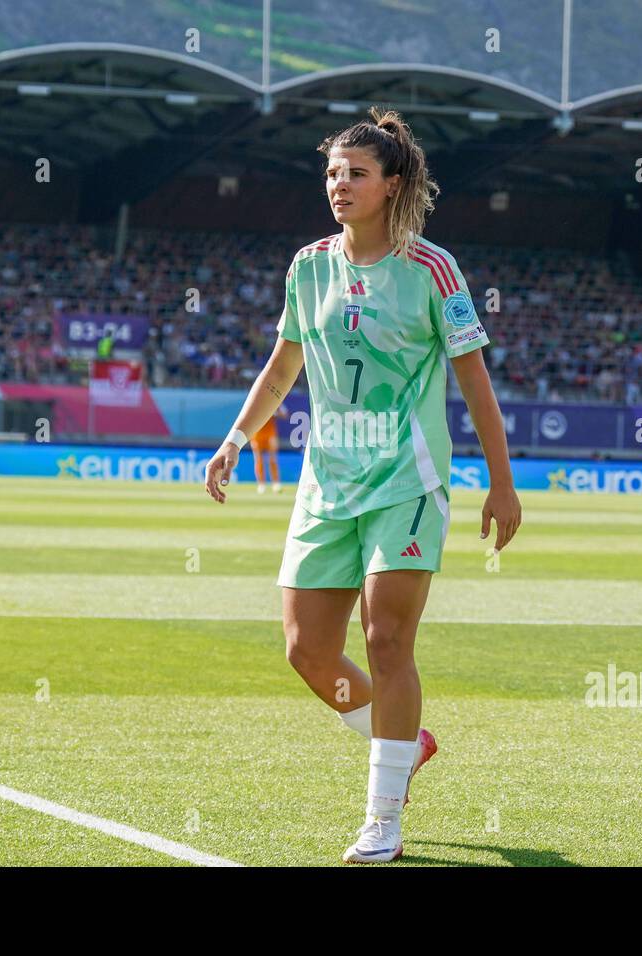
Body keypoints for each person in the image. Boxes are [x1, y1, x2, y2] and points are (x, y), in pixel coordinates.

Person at [203, 107, 521, 863]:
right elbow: (284, 365)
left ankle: (383, 817)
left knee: (386, 640)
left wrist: (501, 484)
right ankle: (405, 744)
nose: (339, 185)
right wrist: (234, 440)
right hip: (327, 481)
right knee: (307, 651)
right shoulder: (308, 265)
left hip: (406, 480)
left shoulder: (432, 269)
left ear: (393, 185)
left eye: (355, 174)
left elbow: (475, 384)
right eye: (332, 173)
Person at [250, 404, 288, 493]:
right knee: (258, 459)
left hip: (270, 434)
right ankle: (261, 484)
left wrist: (275, 412)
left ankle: (276, 483)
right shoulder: (255, 401)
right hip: (257, 434)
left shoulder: (276, 401)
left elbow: (285, 415)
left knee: (273, 459)